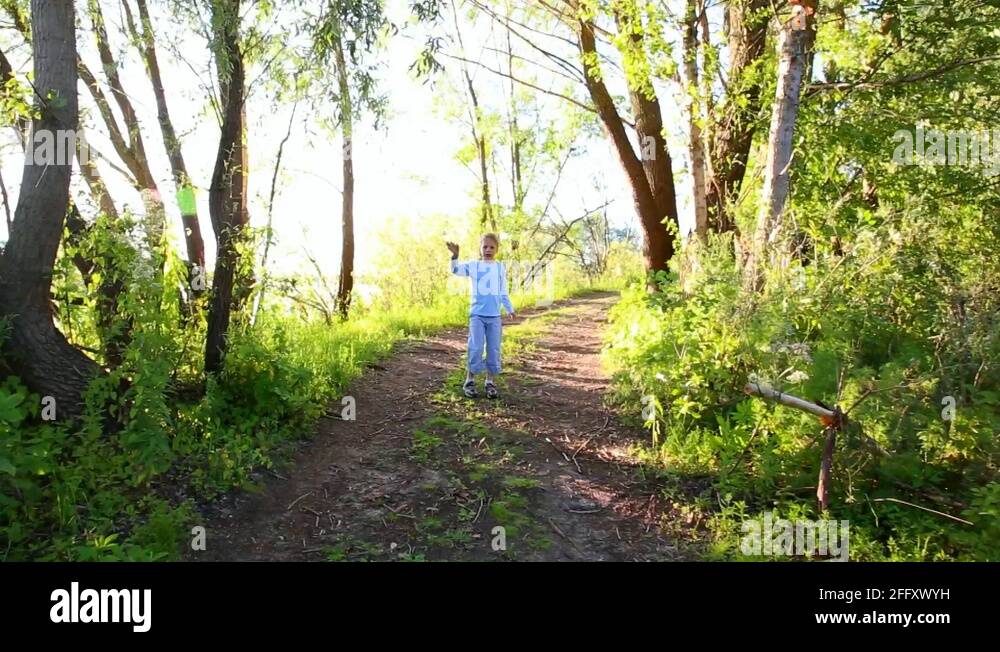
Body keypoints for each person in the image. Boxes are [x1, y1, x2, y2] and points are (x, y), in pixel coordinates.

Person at [446, 233, 515, 399]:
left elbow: (503, 291)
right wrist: (455, 256)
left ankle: (489, 382)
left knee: (493, 349)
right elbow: (456, 270)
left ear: (497, 249)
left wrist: (509, 308)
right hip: (477, 315)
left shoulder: (499, 267)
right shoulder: (474, 265)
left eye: (492, 247)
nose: (488, 250)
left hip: (494, 316)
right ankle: (469, 381)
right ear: (480, 248)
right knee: (475, 347)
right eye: (485, 246)